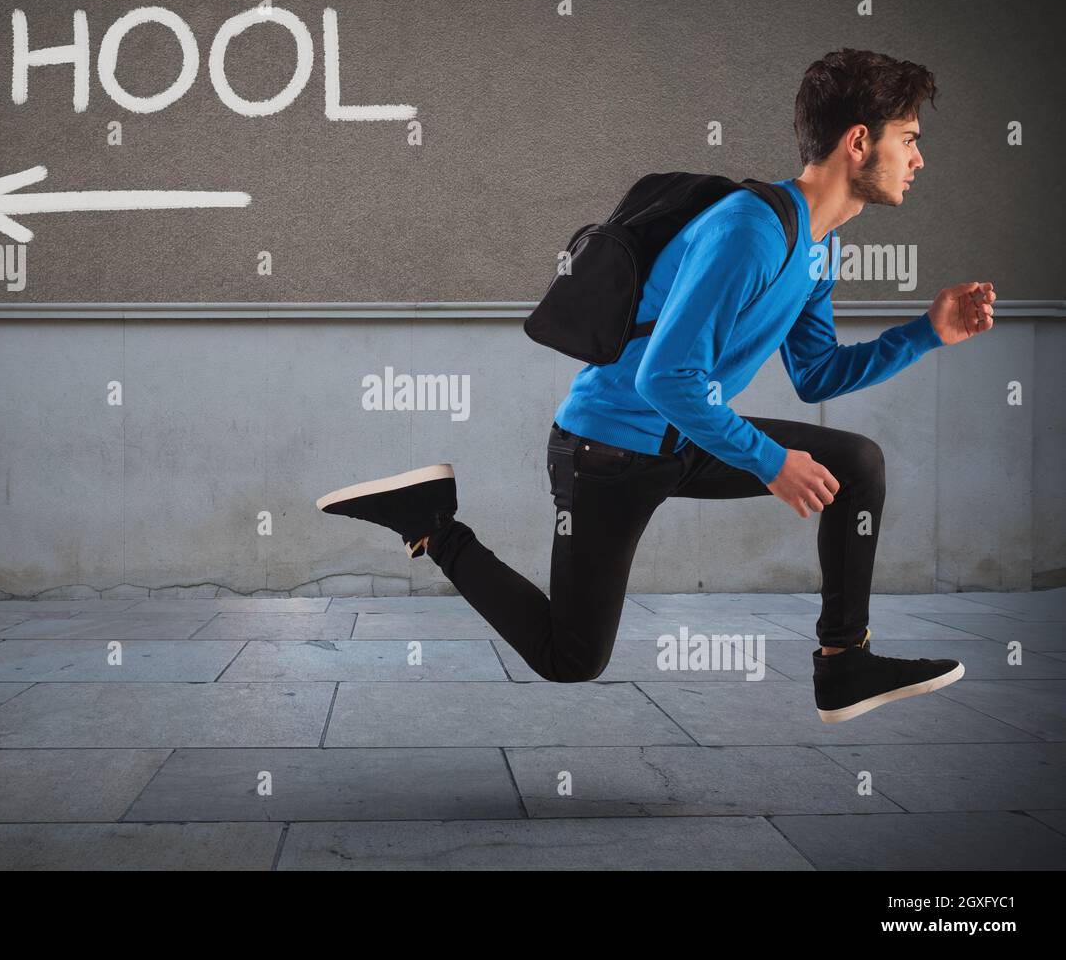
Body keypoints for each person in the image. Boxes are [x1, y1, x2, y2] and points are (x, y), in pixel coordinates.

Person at [316, 48, 995, 723]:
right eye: (908, 140)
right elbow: (665, 374)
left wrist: (927, 331)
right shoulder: (752, 230)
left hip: (682, 436)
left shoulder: (820, 248)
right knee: (571, 656)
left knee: (857, 464)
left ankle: (844, 661)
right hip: (606, 450)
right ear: (858, 142)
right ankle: (432, 525)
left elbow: (816, 371)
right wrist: (769, 462)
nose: (918, 159)